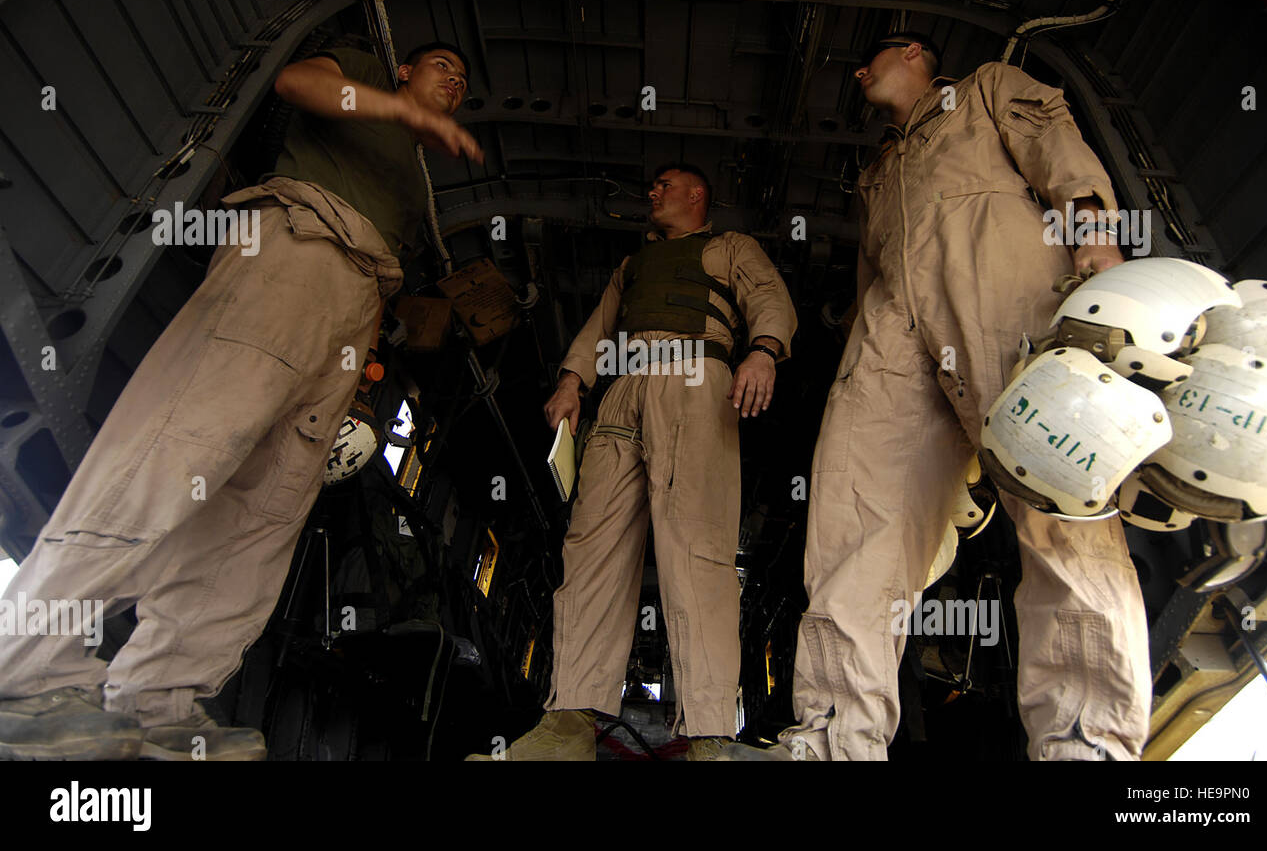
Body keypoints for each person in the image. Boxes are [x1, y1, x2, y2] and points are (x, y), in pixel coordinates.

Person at [0, 40, 482, 761]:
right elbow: (298, 83)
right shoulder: (360, 73)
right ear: (404, 69)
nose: (456, 79)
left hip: (353, 304)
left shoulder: (413, 178)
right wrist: (396, 106)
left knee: (262, 513)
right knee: (173, 449)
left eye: (465, 80)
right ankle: (25, 675)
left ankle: (162, 698)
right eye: (441, 64)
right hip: (295, 250)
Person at [722, 33, 1148, 761]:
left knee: (1061, 502)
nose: (858, 73)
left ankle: (1086, 741)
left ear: (915, 52)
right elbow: (871, 271)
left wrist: (1092, 230)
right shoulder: (877, 169)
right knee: (856, 520)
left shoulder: (984, 86)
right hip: (892, 329)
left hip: (1002, 283)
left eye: (870, 59)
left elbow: (1052, 140)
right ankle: (833, 737)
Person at [467, 165, 797, 760]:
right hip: (624, 388)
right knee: (590, 547)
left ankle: (709, 734)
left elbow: (769, 298)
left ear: (697, 195)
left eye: (665, 184)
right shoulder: (632, 265)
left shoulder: (730, 247)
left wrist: (764, 352)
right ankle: (568, 722)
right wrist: (572, 383)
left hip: (698, 379)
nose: (652, 192)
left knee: (696, 549)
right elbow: (599, 327)